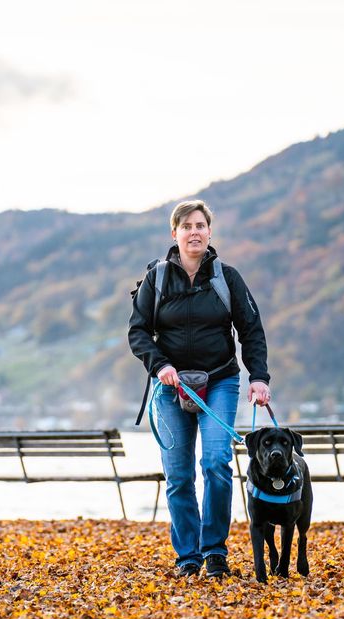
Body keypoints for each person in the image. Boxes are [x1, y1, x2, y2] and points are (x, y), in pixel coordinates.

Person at [128, 199, 271, 578]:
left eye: (200, 225)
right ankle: (187, 556)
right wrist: (160, 366)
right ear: (174, 234)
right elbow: (138, 332)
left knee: (216, 464)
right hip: (171, 386)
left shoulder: (228, 278)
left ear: (210, 232)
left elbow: (252, 331)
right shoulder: (156, 279)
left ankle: (215, 552)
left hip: (220, 380)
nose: (194, 232)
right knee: (178, 474)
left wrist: (259, 378)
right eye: (186, 226)